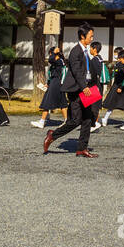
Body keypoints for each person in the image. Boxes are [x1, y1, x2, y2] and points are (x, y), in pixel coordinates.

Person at [42, 24, 99, 158]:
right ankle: (52, 135)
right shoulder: (76, 51)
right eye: (90, 36)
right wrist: (84, 87)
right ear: (82, 36)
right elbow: (77, 71)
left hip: (86, 88)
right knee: (75, 120)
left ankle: (82, 148)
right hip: (76, 90)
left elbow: (88, 71)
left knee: (87, 119)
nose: (92, 38)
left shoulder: (86, 51)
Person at [32, 42, 67, 128]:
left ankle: (42, 121)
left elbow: (50, 60)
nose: (50, 56)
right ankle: (67, 120)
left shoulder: (59, 61)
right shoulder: (58, 62)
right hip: (55, 82)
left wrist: (54, 52)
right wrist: (48, 83)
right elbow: (52, 73)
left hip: (56, 83)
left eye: (51, 54)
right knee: (62, 102)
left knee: (47, 101)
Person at [89, 41, 106, 131]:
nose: (90, 50)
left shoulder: (94, 60)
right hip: (100, 84)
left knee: (93, 105)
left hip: (94, 84)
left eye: (91, 48)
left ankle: (94, 123)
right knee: (95, 104)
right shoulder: (100, 59)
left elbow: (92, 74)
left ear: (94, 49)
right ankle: (94, 122)